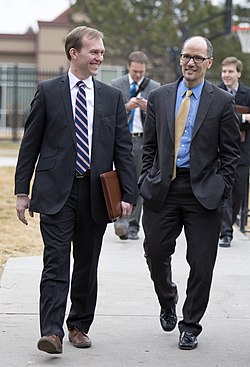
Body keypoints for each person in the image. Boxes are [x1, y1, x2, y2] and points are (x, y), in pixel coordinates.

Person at [14, 26, 137, 355]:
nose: (100, 57)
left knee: (86, 263)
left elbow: (122, 149)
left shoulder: (112, 97)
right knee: (55, 262)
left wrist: (128, 194)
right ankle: (51, 332)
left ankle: (79, 325)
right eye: (94, 51)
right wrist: (21, 191)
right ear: (74, 53)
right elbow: (30, 145)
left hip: (96, 193)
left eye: (101, 51)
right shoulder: (49, 91)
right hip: (56, 192)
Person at [138, 36, 240, 350]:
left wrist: (221, 187)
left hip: (203, 193)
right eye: (186, 56)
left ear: (209, 62)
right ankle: (167, 299)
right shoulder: (160, 97)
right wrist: (145, 178)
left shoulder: (221, 101)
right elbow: (150, 146)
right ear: (180, 59)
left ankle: (190, 325)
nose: (190, 63)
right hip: (163, 188)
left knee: (201, 262)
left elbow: (230, 153)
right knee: (154, 250)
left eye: (197, 57)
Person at [111, 51, 160, 240]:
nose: (138, 75)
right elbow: (108, 114)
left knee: (139, 182)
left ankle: (133, 225)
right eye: (135, 71)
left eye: (141, 71)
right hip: (122, 139)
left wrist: (150, 109)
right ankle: (119, 219)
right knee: (118, 180)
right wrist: (126, 107)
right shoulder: (117, 86)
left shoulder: (154, 88)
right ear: (128, 67)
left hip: (143, 140)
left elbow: (162, 116)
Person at [218, 57, 250, 247]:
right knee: (225, 193)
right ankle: (226, 233)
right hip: (220, 151)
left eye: (230, 72)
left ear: (238, 73)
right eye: (224, 72)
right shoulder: (215, 92)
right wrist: (243, 117)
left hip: (243, 151)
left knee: (238, 193)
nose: (227, 75)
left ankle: (228, 226)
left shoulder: (248, 93)